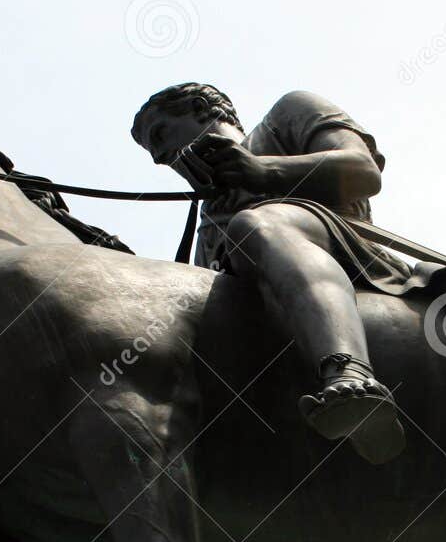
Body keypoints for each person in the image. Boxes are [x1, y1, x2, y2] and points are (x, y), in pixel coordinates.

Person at [131, 84, 409, 464]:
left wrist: (263, 170)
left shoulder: (286, 115)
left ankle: (351, 374)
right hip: (266, 303)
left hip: (345, 247)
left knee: (256, 225)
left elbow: (363, 172)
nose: (162, 156)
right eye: (154, 154)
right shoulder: (207, 228)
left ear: (199, 109)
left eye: (160, 134)